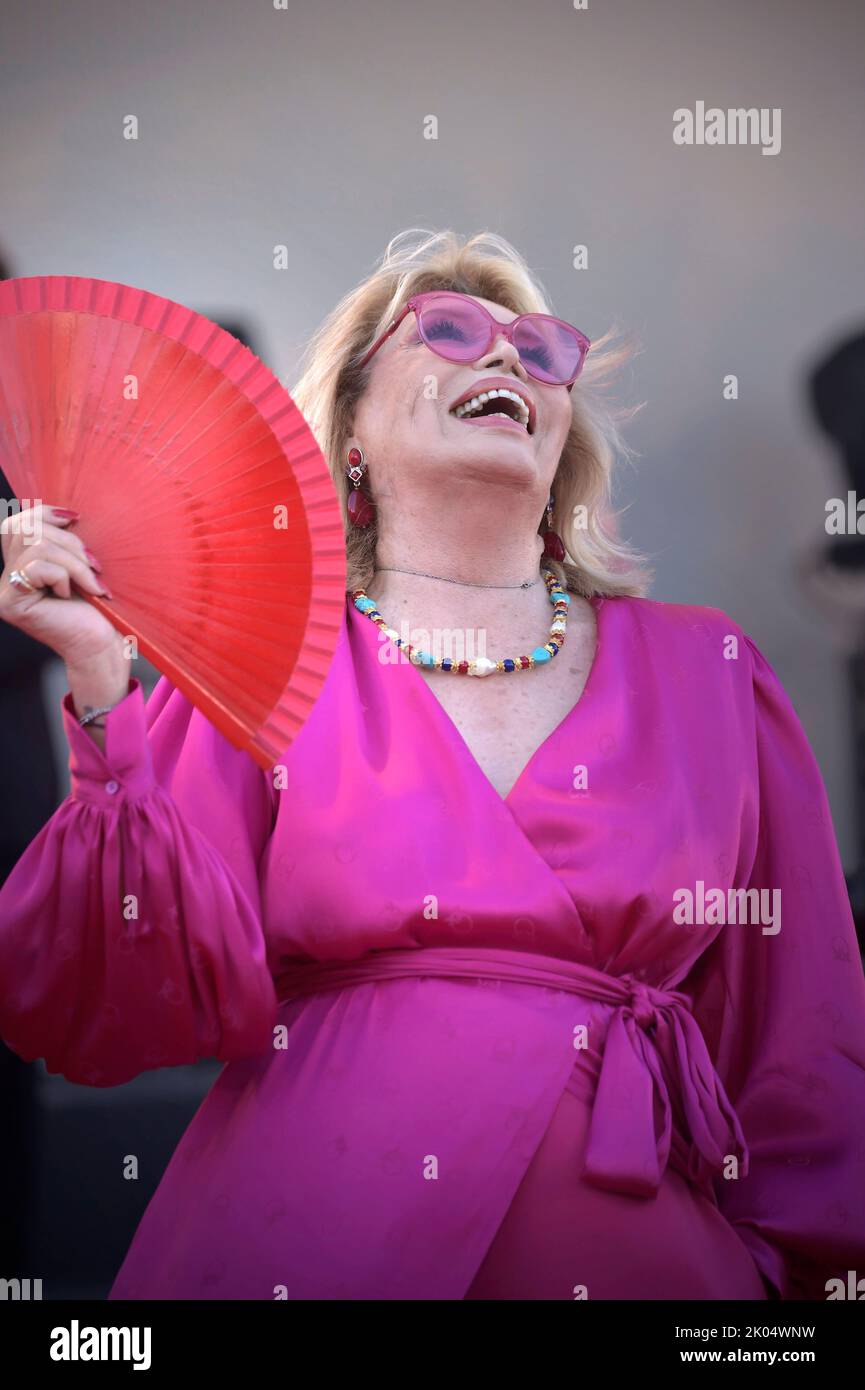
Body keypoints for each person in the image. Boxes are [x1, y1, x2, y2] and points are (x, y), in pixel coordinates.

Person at [1, 229, 863, 1301]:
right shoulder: (263, 661)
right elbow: (112, 998)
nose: (506, 360)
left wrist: (786, 1288)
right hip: (302, 1244)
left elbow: (804, 1038)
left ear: (560, 445)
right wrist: (100, 687)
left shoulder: (712, 669)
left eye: (542, 351)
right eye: (449, 332)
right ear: (352, 429)